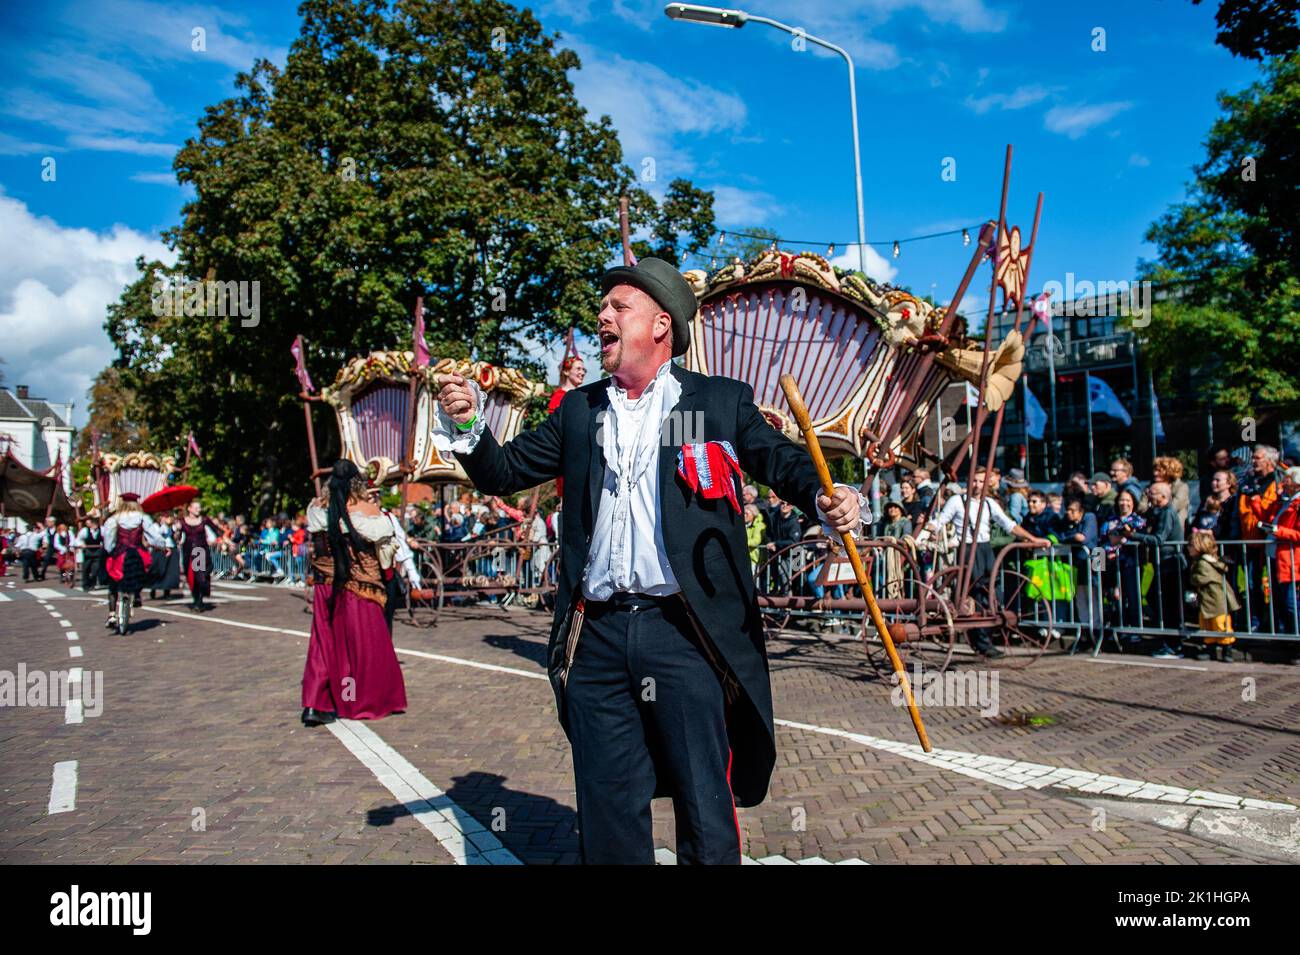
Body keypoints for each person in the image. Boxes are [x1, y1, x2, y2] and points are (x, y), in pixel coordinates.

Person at [432, 255, 868, 865]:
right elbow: (503, 473)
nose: (601, 315)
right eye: (602, 307)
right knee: (607, 806)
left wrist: (830, 497)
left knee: (702, 801)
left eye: (618, 306)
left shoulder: (712, 403)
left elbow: (781, 459)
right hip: (600, 636)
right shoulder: (580, 412)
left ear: (661, 325)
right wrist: (467, 422)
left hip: (684, 632)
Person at [299, 460, 407, 726]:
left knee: (323, 645)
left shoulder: (315, 509)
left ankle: (315, 703)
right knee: (361, 647)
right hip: (358, 587)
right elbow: (387, 535)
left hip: (326, 586)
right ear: (356, 484)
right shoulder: (367, 511)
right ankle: (357, 702)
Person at [929, 466, 1052, 657]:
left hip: (985, 549)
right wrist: (928, 528)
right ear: (968, 482)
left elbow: (1009, 525)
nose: (977, 485)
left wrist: (1034, 540)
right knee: (976, 594)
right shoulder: (957, 501)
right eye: (974, 481)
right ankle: (982, 642)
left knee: (992, 592)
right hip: (968, 549)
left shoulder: (989, 503)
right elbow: (940, 521)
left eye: (981, 481)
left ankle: (984, 639)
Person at [1134, 482, 1187, 657]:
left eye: (1153, 493)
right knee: (1155, 599)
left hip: (1171, 564)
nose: (1149, 495)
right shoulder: (1160, 512)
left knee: (1167, 604)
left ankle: (1174, 643)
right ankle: (1169, 639)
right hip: (1164, 564)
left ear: (1163, 496)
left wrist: (1133, 536)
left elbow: (1159, 539)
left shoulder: (1167, 513)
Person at [1239, 444, 1281, 631]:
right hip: (1248, 540)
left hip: (1269, 543)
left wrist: (1255, 498)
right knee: (1250, 583)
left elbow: (1268, 513)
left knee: (1272, 584)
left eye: (1258, 458)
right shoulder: (1248, 480)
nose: (1253, 461)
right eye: (1253, 458)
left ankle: (1273, 621)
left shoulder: (1277, 481)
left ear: (1270, 461)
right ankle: (1254, 619)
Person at [102, 493, 159, 629]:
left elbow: (108, 540)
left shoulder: (114, 519)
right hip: (137, 553)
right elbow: (153, 536)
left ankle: (111, 614)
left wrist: (110, 551)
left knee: (113, 582)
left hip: (120, 553)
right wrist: (162, 546)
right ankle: (137, 595)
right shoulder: (142, 518)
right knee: (144, 570)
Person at [1257, 465, 1300, 637]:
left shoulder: (1297, 504)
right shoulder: (1286, 501)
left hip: (1291, 560)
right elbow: (1267, 517)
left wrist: (1278, 531)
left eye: (1287, 479)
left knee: (1291, 604)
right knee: (1281, 601)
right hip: (1277, 557)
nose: (1283, 482)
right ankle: (1289, 638)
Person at [1188, 530, 1240, 661]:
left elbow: (1203, 578)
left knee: (1220, 624)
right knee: (1207, 624)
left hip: (1216, 598)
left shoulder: (1203, 563)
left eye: (1191, 545)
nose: (1188, 548)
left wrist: (1193, 578)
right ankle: (1210, 648)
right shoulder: (1201, 561)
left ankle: (1227, 649)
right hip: (1207, 599)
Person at [176, 498, 221, 612]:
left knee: (199, 577)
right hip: (187, 552)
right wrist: (177, 530)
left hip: (200, 552)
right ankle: (195, 598)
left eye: (199, 507)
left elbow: (217, 531)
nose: (198, 510)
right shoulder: (182, 521)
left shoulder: (204, 520)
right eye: (195, 507)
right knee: (190, 577)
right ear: (189, 509)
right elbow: (177, 538)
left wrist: (222, 541)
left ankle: (199, 601)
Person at [148, 513, 180, 600]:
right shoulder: (155, 526)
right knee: (158, 570)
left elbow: (175, 538)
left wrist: (176, 530)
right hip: (160, 549)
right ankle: (153, 589)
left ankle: (167, 592)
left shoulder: (172, 526)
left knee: (169, 571)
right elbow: (157, 535)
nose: (166, 518)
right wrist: (165, 525)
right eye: (164, 516)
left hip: (171, 548)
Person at [1152, 456, 1191, 528]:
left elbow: (1173, 508)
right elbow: (1141, 508)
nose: (1155, 473)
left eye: (1159, 471)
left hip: (1174, 528)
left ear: (1169, 471)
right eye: (1154, 470)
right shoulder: (1151, 487)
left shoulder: (1181, 487)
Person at [76, 517, 104, 592]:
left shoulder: (102, 530)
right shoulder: (85, 531)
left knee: (95, 569)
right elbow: (78, 540)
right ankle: (85, 585)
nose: (95, 526)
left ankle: (93, 584)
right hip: (88, 552)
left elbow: (106, 539)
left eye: (96, 524)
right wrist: (81, 545)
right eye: (93, 524)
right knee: (86, 569)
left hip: (97, 552)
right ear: (91, 524)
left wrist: (103, 545)